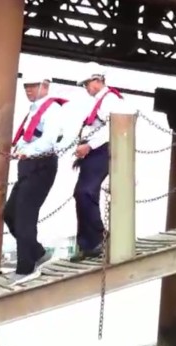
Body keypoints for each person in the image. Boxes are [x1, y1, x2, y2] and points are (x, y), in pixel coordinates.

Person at [4, 73, 64, 283]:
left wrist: (29, 152)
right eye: (26, 87)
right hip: (27, 166)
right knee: (10, 213)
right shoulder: (34, 110)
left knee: (24, 215)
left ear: (45, 86)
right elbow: (29, 138)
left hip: (42, 164)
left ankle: (25, 268)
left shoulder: (53, 110)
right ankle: (37, 253)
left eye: (32, 86)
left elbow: (48, 140)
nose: (28, 90)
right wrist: (20, 150)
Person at [68, 62, 127, 262]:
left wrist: (89, 145)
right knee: (81, 193)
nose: (86, 87)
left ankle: (100, 237)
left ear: (98, 80)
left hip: (102, 150)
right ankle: (88, 244)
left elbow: (112, 127)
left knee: (85, 192)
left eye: (87, 83)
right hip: (94, 150)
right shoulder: (101, 101)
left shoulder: (110, 99)